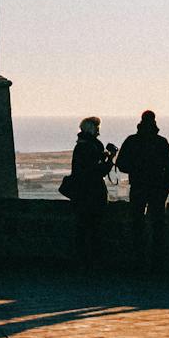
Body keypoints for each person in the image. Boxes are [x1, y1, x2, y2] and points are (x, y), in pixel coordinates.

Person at [115, 110, 169, 271]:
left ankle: (138, 261)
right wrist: (166, 183)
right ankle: (157, 262)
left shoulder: (132, 141)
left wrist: (136, 168)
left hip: (139, 187)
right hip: (157, 188)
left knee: (137, 224)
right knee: (158, 225)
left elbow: (121, 164)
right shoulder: (161, 142)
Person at [66, 116, 116, 272]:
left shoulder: (82, 146)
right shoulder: (90, 147)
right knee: (94, 230)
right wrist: (110, 159)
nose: (99, 132)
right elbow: (97, 171)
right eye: (97, 128)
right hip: (92, 195)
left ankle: (83, 262)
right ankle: (93, 262)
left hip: (81, 195)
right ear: (92, 129)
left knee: (82, 229)